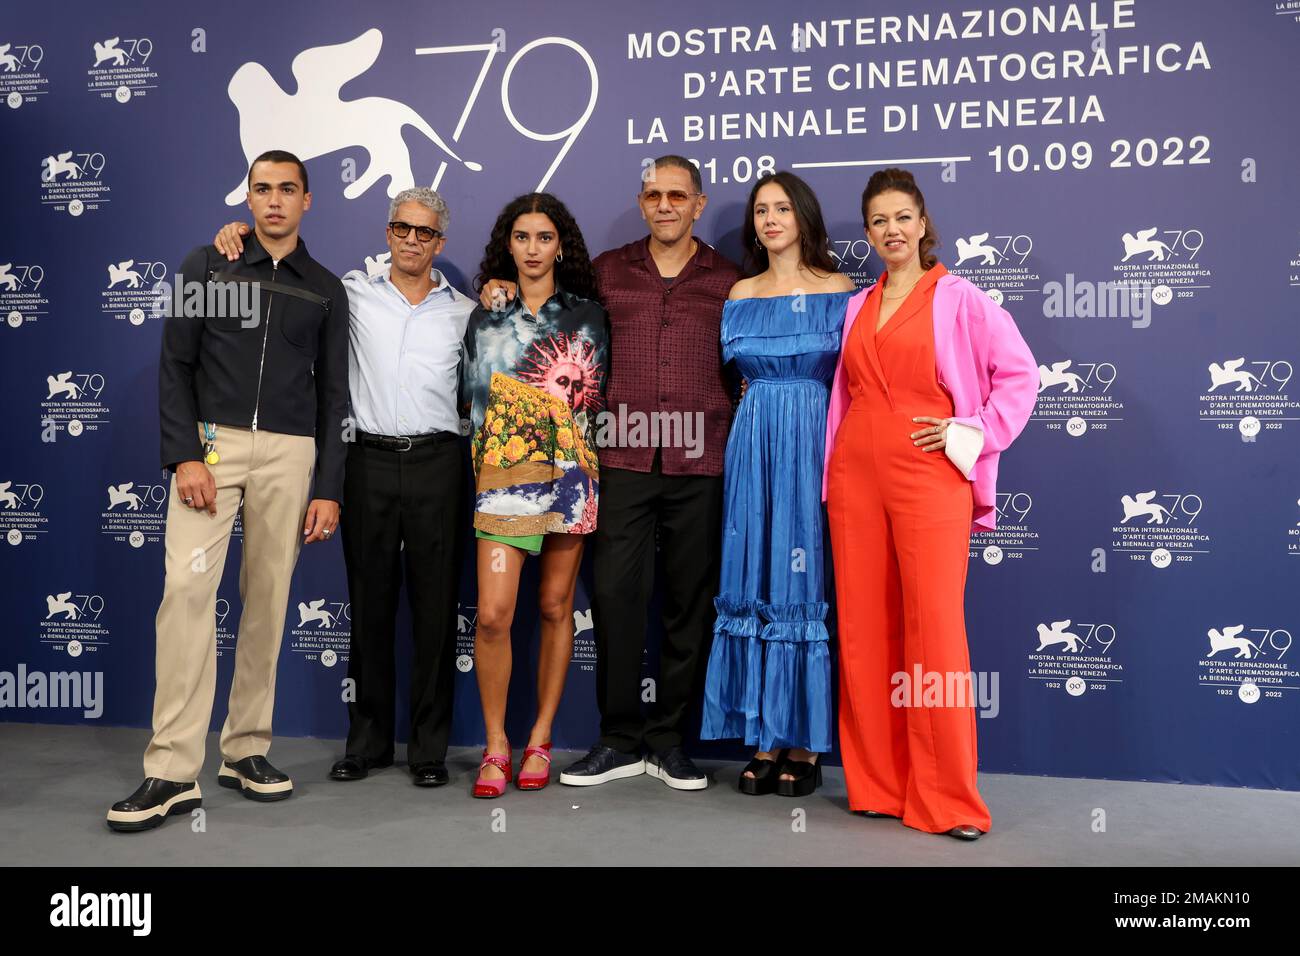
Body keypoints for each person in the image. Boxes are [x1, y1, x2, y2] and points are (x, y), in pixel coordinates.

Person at [480, 156, 741, 791]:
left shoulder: (730, 278)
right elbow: (552, 311)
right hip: (621, 459)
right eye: (653, 195)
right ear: (642, 201)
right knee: (619, 600)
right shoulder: (608, 272)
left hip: (701, 460)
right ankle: (619, 739)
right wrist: (499, 289)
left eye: (678, 195)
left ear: (699, 204)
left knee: (687, 605)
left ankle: (671, 741)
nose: (665, 205)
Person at [107, 150, 349, 832]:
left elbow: (335, 396)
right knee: (186, 593)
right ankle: (172, 769)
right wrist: (184, 454)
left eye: (286, 190)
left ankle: (245, 751)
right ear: (247, 197)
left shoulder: (326, 288)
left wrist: (328, 486)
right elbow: (175, 363)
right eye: (261, 189)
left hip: (290, 453)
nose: (273, 201)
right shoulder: (208, 266)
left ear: (309, 200)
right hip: (210, 449)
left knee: (268, 600)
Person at [209, 188, 474, 788]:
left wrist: (499, 293)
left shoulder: (464, 312)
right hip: (367, 462)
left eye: (425, 233)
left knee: (435, 614)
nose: (412, 240)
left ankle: (428, 750)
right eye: (402, 228)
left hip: (439, 462)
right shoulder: (348, 294)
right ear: (387, 232)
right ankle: (370, 742)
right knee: (370, 606)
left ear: (440, 242)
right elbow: (285, 264)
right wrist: (237, 234)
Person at [823, 168, 1037, 840]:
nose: (892, 230)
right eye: (879, 221)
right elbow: (845, 398)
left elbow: (1020, 375)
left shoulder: (961, 298)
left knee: (934, 631)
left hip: (930, 475)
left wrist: (970, 431)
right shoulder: (857, 305)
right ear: (869, 232)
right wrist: (831, 473)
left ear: (923, 223)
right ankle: (880, 786)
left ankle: (947, 799)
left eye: (902, 217)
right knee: (863, 628)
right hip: (856, 477)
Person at [700, 172, 853, 797]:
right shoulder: (741, 290)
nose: (769, 219)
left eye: (782, 207)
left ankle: (806, 745)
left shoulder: (839, 289)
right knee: (753, 574)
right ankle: (763, 737)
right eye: (761, 210)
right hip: (753, 444)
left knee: (802, 579)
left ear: (804, 215)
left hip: (814, 443)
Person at [462, 192, 609, 797]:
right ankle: (496, 744)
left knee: (554, 607)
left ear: (560, 246)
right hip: (501, 478)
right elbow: (471, 402)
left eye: (543, 237)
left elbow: (589, 401)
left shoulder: (589, 314)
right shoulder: (485, 314)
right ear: (508, 245)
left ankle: (541, 737)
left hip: (570, 474)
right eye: (521, 237)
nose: (531, 249)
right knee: (494, 614)